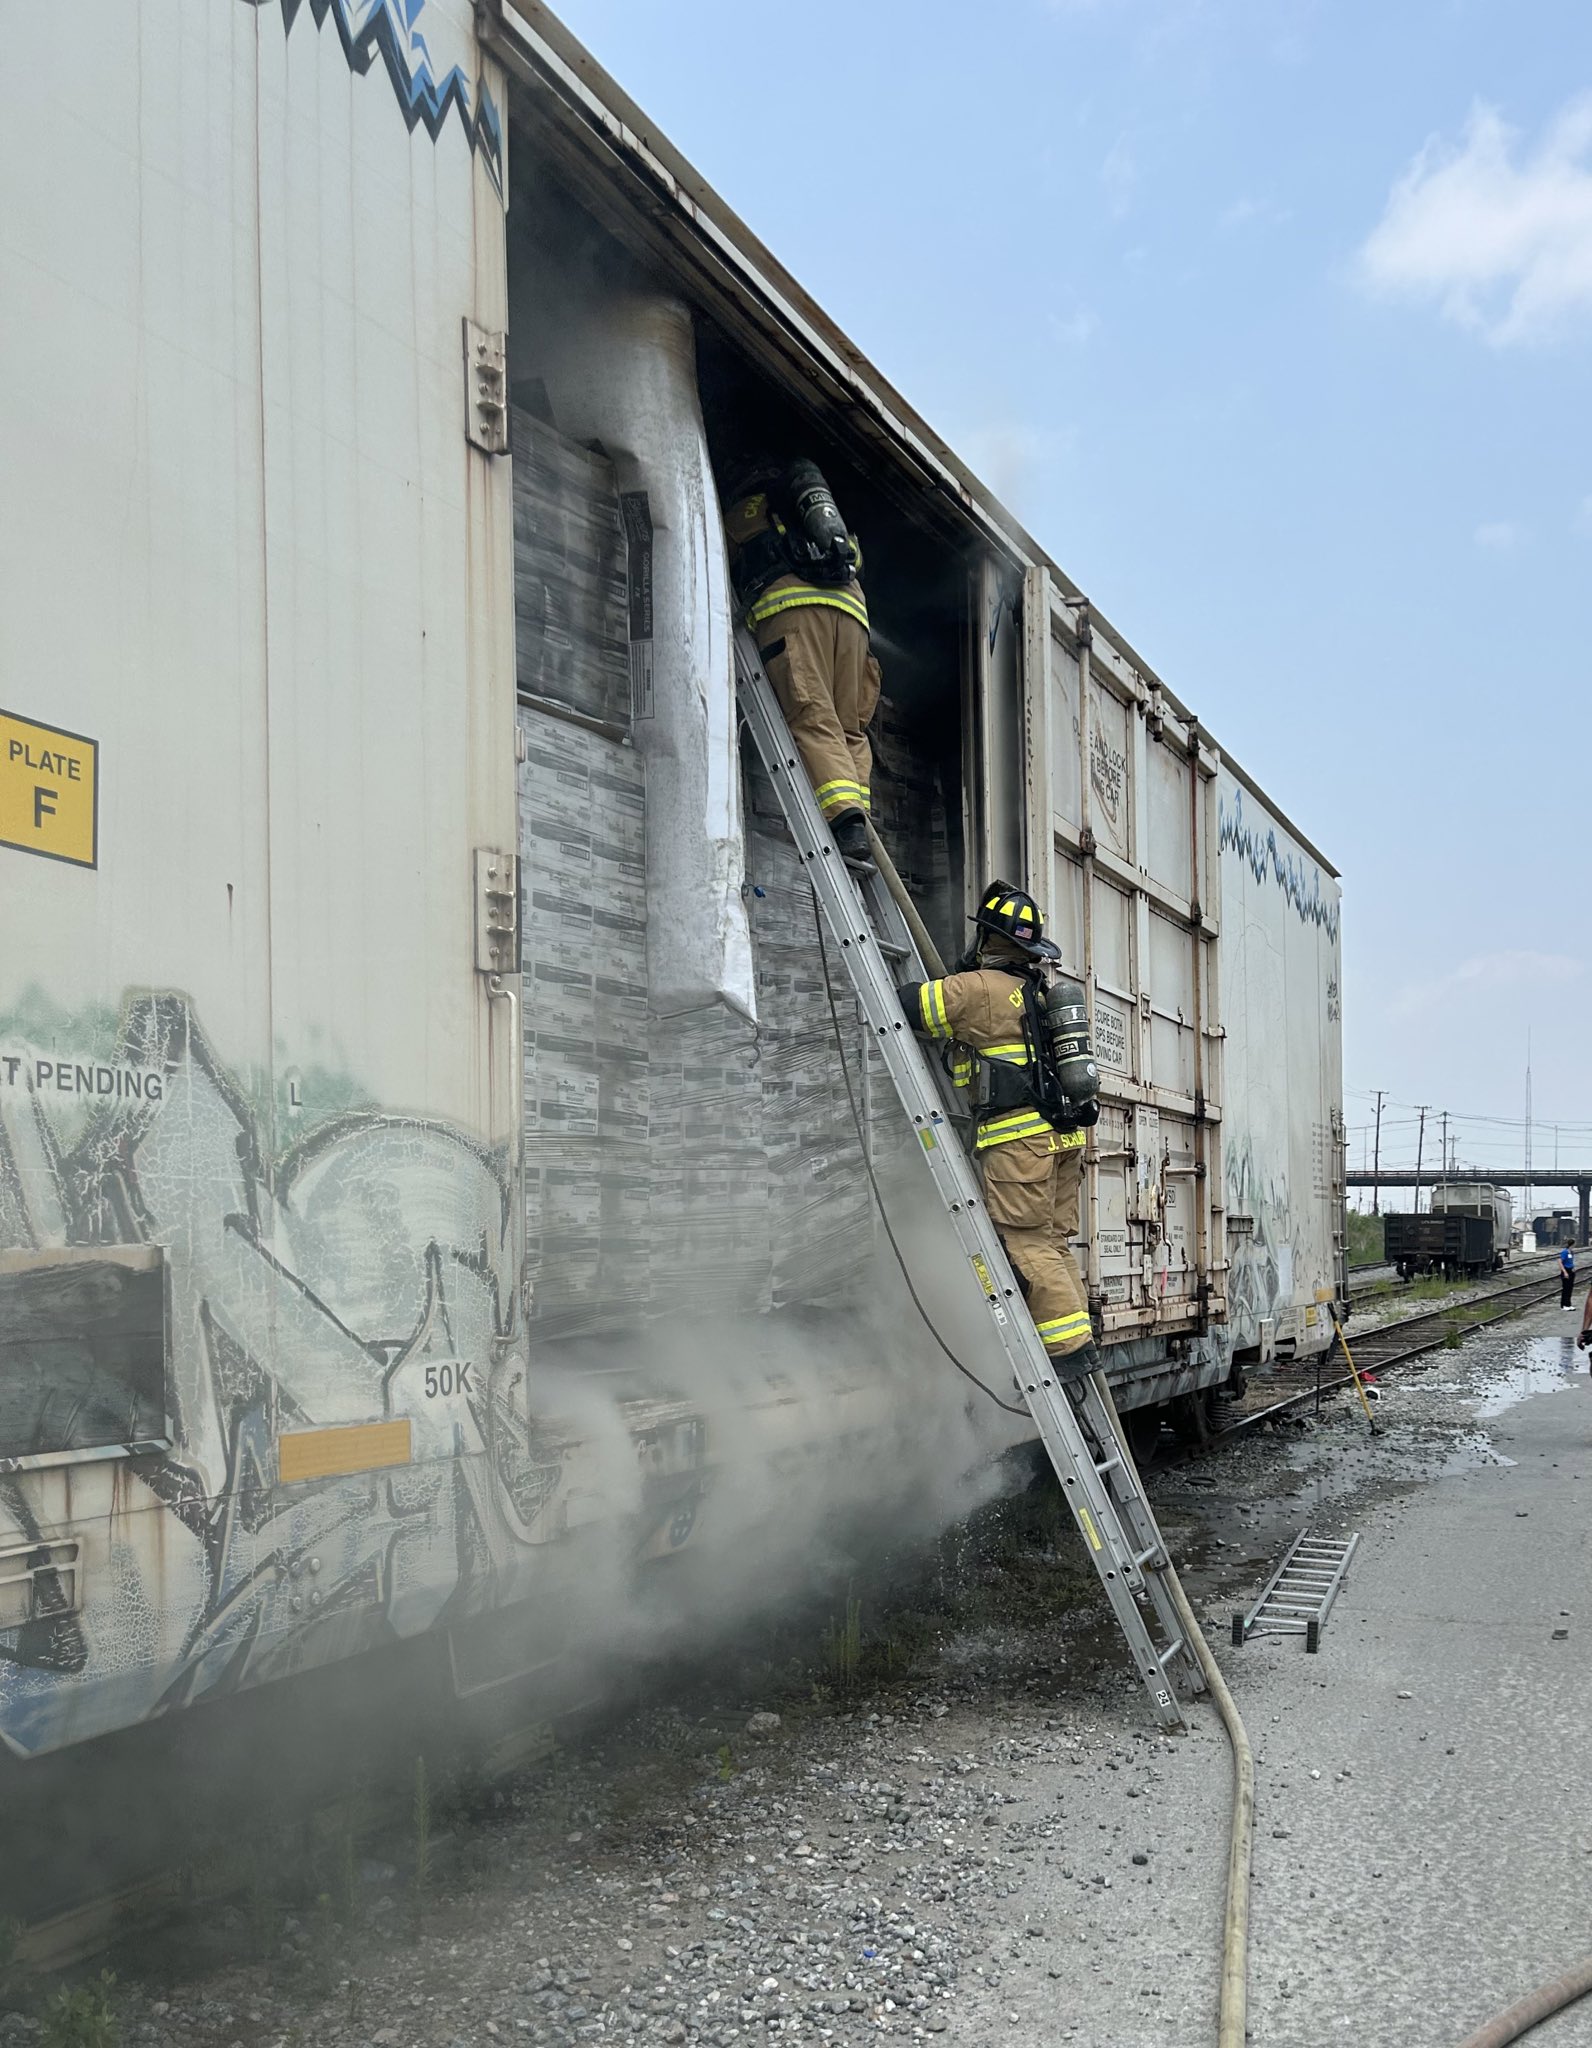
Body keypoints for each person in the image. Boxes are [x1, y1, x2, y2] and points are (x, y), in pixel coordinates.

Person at [898, 882, 1102, 1385]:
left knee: (1023, 1243)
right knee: (1051, 1242)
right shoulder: (1040, 992)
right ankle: (1080, 1340)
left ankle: (1067, 1350)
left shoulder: (979, 989)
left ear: (988, 937)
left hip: (1019, 1144)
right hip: (1062, 1140)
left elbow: (911, 1006)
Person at [724, 457, 881, 862]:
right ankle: (859, 821)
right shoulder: (827, 520)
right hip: (853, 617)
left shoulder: (747, 511)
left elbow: (713, 557)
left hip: (793, 613)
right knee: (849, 727)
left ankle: (845, 820)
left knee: (812, 716)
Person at [1561, 1242, 1576, 1310]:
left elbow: (1571, 1261)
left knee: (1570, 1288)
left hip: (1571, 1270)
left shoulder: (1571, 1252)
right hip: (1566, 1270)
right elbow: (1560, 1262)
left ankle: (1568, 1304)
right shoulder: (1565, 1252)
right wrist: (1564, 1272)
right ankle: (1564, 1305)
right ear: (1572, 1244)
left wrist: (1573, 1267)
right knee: (1566, 1288)